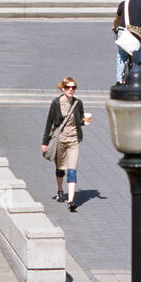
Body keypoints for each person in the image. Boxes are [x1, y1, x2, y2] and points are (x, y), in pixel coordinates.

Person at [41, 77, 91, 211]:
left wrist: (84, 121)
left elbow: (79, 120)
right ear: (63, 88)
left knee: (72, 169)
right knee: (60, 169)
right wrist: (45, 142)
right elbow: (49, 123)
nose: (71, 90)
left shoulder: (78, 103)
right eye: (68, 87)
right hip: (60, 140)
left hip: (74, 140)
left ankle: (71, 201)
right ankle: (60, 190)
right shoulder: (56, 103)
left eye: (73, 87)